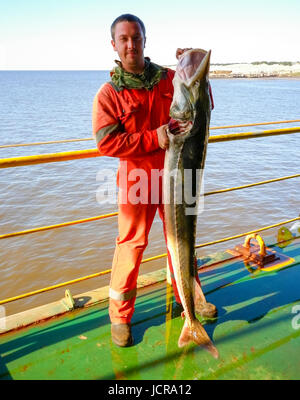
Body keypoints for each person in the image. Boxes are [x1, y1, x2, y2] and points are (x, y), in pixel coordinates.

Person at [92, 14, 217, 347]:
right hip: (137, 179)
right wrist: (153, 138)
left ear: (145, 41)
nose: (131, 45)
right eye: (124, 39)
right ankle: (120, 317)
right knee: (131, 246)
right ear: (114, 45)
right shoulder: (109, 93)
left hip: (177, 174)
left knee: (184, 239)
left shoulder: (169, 78)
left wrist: (196, 66)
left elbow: (204, 104)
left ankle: (189, 301)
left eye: (137, 38)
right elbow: (106, 142)